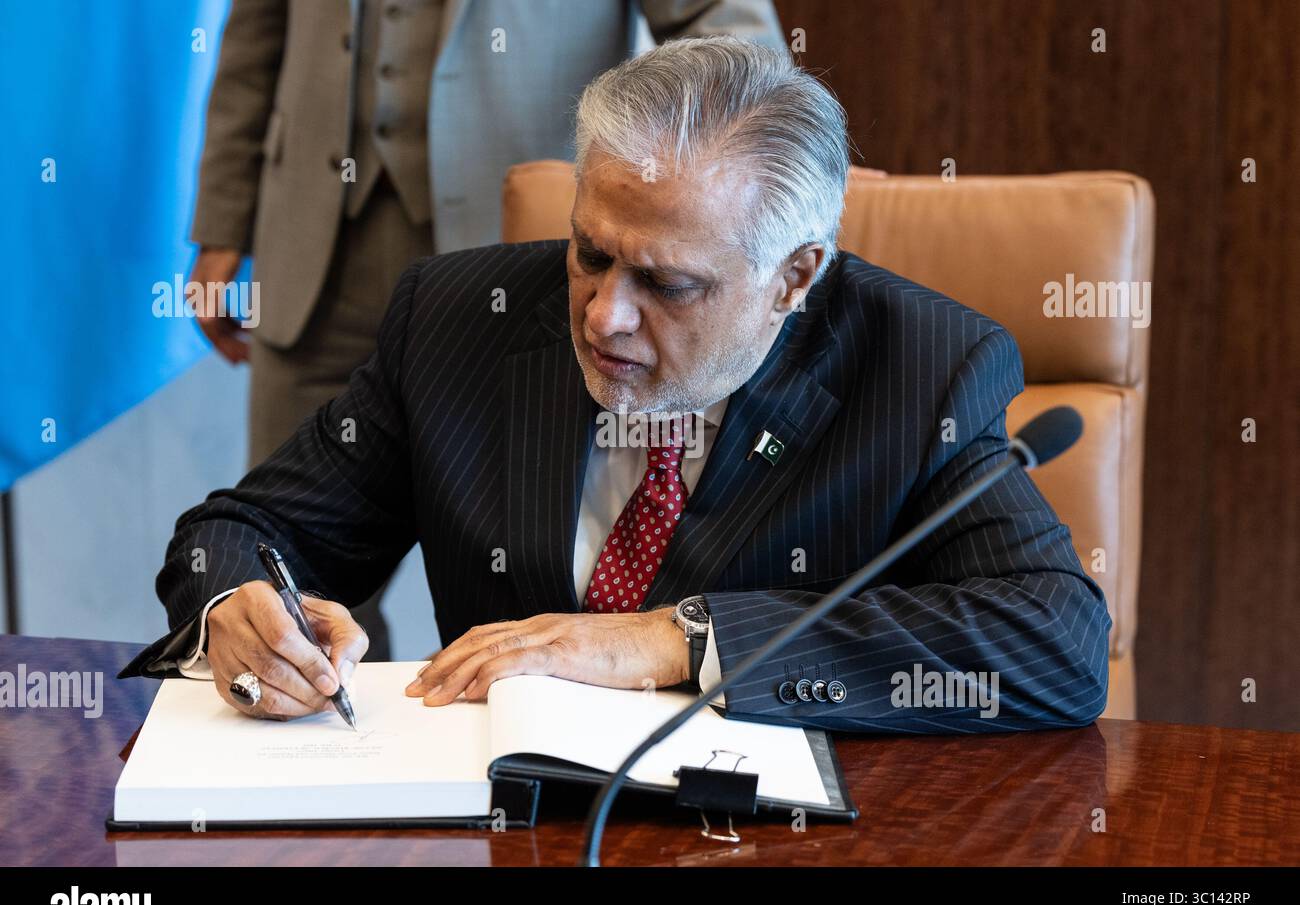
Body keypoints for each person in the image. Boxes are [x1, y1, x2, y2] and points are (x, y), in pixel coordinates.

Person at [125, 38, 1110, 735]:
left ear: (794, 276)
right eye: (589, 254)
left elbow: (1053, 643)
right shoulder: (460, 321)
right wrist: (239, 606)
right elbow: (236, 530)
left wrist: (671, 641)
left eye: (666, 282)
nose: (602, 317)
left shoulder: (920, 365)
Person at [187, 0, 788, 659]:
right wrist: (224, 221)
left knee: (552, 576)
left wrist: (679, 185)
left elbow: (727, 25)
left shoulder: (611, 311)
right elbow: (257, 30)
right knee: (297, 580)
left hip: (520, 243)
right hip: (314, 249)